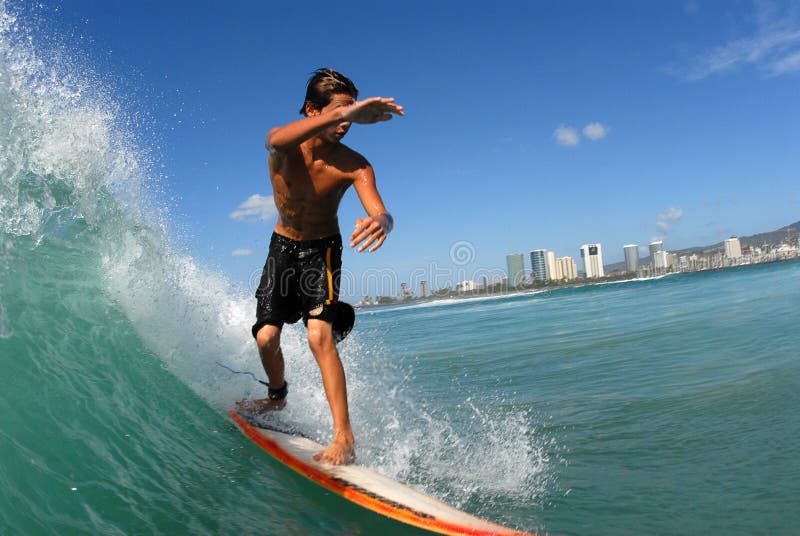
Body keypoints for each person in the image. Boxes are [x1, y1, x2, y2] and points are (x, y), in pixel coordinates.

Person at [242, 68, 403, 465]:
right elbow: (272, 139)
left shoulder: (355, 165)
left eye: (352, 113)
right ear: (313, 109)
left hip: (321, 251)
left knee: (319, 337)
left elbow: (381, 210)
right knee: (265, 338)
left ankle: (344, 438)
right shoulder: (285, 148)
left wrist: (382, 222)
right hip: (282, 248)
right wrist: (342, 113)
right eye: (340, 112)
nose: (347, 122)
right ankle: (277, 397)